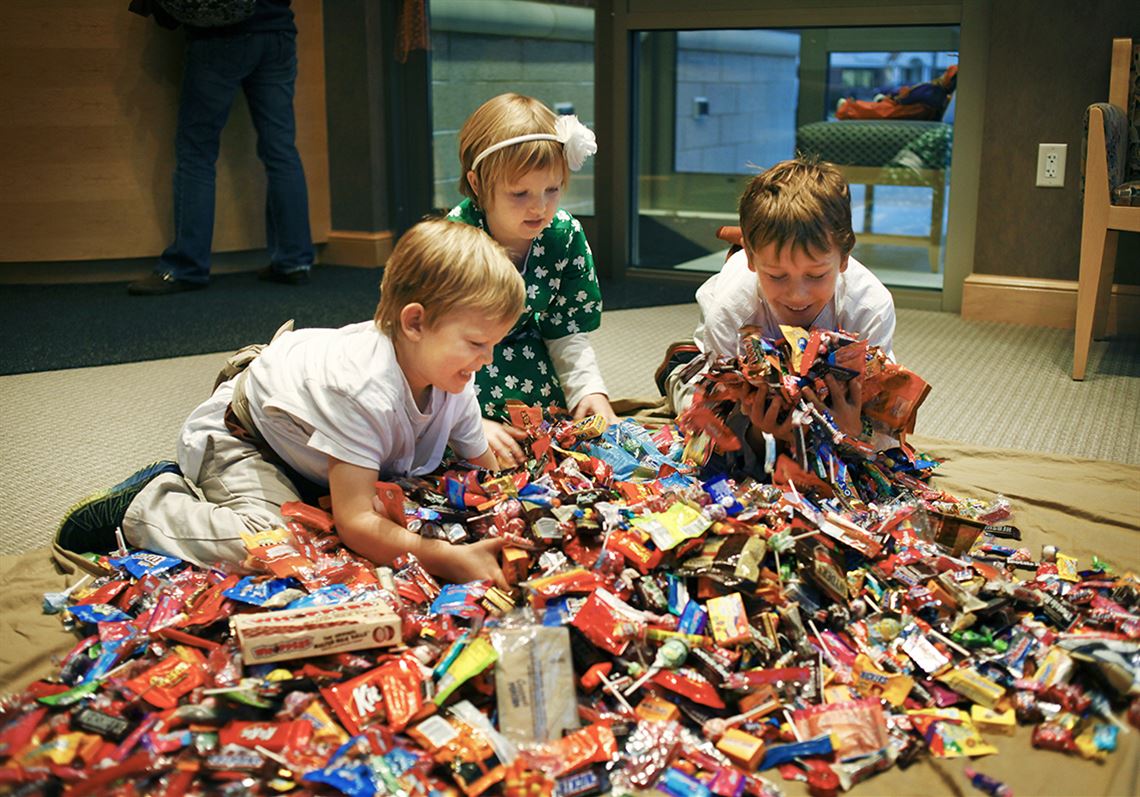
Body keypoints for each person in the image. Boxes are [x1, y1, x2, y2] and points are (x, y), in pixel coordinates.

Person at [61, 220, 524, 589]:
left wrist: (518, 508)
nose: (486, 361)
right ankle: (144, 506)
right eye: (476, 343)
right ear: (415, 323)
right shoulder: (364, 389)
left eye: (494, 345)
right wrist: (443, 557)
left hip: (305, 432)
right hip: (244, 436)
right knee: (278, 548)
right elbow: (357, 523)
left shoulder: (454, 376)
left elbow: (482, 465)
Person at [663, 158, 896, 460]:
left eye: (815, 275)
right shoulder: (730, 311)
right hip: (730, 367)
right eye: (776, 275)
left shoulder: (868, 306)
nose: (796, 295)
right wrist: (758, 435)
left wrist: (856, 431)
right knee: (695, 414)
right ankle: (677, 366)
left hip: (823, 385)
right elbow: (720, 411)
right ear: (752, 261)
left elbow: (885, 418)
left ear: (843, 259)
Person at [447, 93, 615, 469]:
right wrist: (466, 424)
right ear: (476, 183)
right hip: (458, 376)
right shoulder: (455, 242)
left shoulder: (563, 235)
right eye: (519, 193)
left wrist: (589, 390)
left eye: (552, 190)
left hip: (530, 368)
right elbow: (430, 352)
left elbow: (566, 330)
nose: (539, 207)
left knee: (560, 455)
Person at [128, 0, 315, 295]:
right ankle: (294, 261)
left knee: (196, 153)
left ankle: (187, 266)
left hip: (220, 36)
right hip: (278, 31)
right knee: (280, 149)